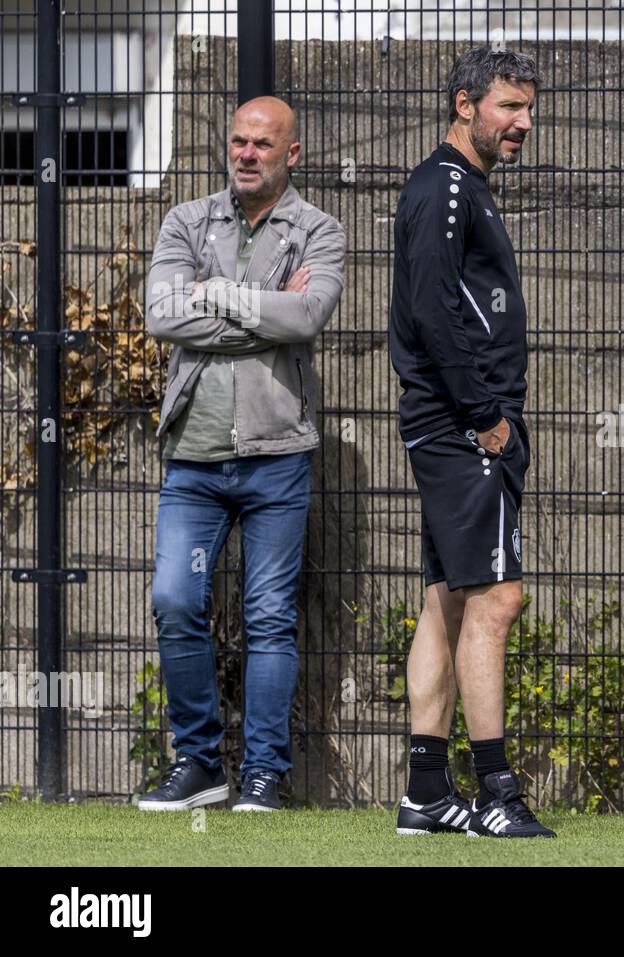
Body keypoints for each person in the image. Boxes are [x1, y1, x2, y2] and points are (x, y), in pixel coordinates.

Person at [141, 96, 346, 812]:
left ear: (292, 153)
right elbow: (162, 312)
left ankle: (264, 772)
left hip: (276, 456)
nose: (246, 153)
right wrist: (263, 311)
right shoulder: (187, 220)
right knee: (174, 599)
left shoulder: (318, 229)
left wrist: (217, 295)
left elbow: (309, 314)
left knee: (267, 616)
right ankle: (199, 762)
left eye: (262, 143)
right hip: (193, 461)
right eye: (237, 141)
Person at [387, 47, 553, 838]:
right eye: (509, 107)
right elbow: (430, 308)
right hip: (462, 425)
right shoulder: (446, 187)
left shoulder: (459, 186)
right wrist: (485, 410)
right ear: (465, 104)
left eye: (526, 109)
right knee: (497, 597)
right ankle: (498, 793)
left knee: (447, 601)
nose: (523, 122)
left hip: (450, 422)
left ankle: (425, 792)